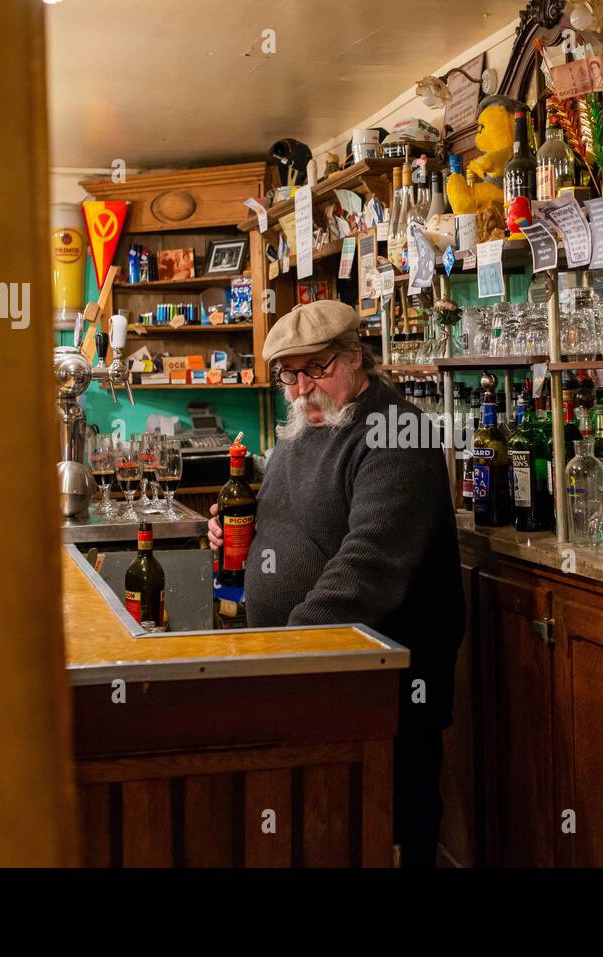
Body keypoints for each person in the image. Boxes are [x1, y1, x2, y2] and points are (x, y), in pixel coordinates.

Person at [207, 300, 463, 868]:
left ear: (354, 357)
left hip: (384, 681)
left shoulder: (396, 431)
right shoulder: (305, 424)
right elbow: (287, 521)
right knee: (324, 829)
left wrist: (289, 648)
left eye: (316, 369)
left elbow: (369, 565)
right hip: (312, 671)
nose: (302, 389)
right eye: (288, 375)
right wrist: (234, 533)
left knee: (391, 824)